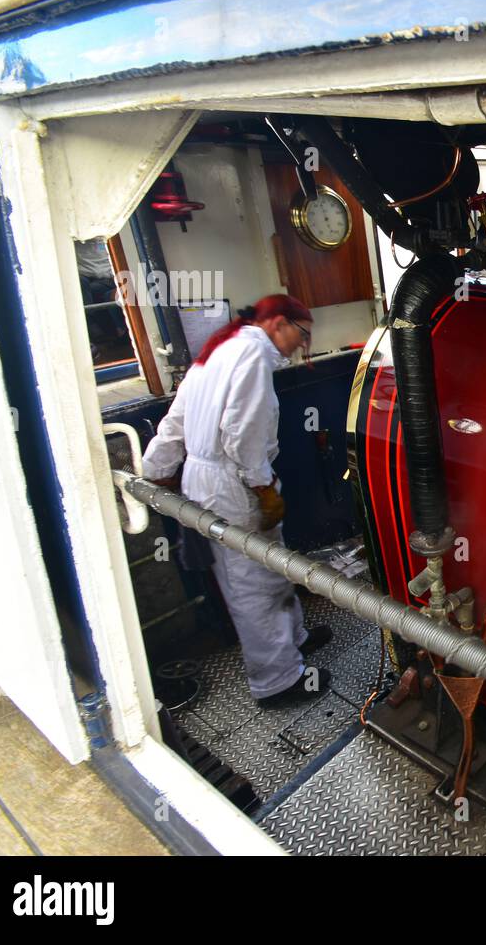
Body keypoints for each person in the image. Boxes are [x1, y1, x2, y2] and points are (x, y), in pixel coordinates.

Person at [141, 294, 332, 707]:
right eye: (301, 334)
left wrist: (157, 466)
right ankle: (277, 681)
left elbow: (175, 419)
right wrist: (262, 487)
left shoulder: (218, 350)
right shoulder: (252, 355)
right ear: (278, 323)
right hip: (232, 484)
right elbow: (242, 433)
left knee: (270, 565)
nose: (302, 344)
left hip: (206, 478)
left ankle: (294, 640)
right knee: (253, 584)